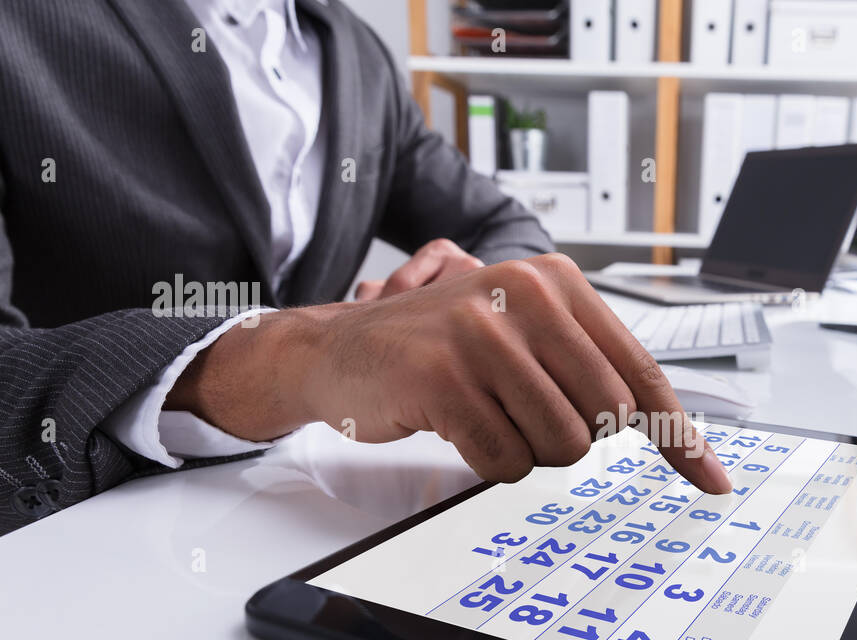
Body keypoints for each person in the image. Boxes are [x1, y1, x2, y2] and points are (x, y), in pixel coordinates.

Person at [0, 0, 729, 537]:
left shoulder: (357, 55)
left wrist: (482, 299)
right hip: (86, 542)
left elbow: (500, 223)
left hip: (316, 516)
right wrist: (292, 355)